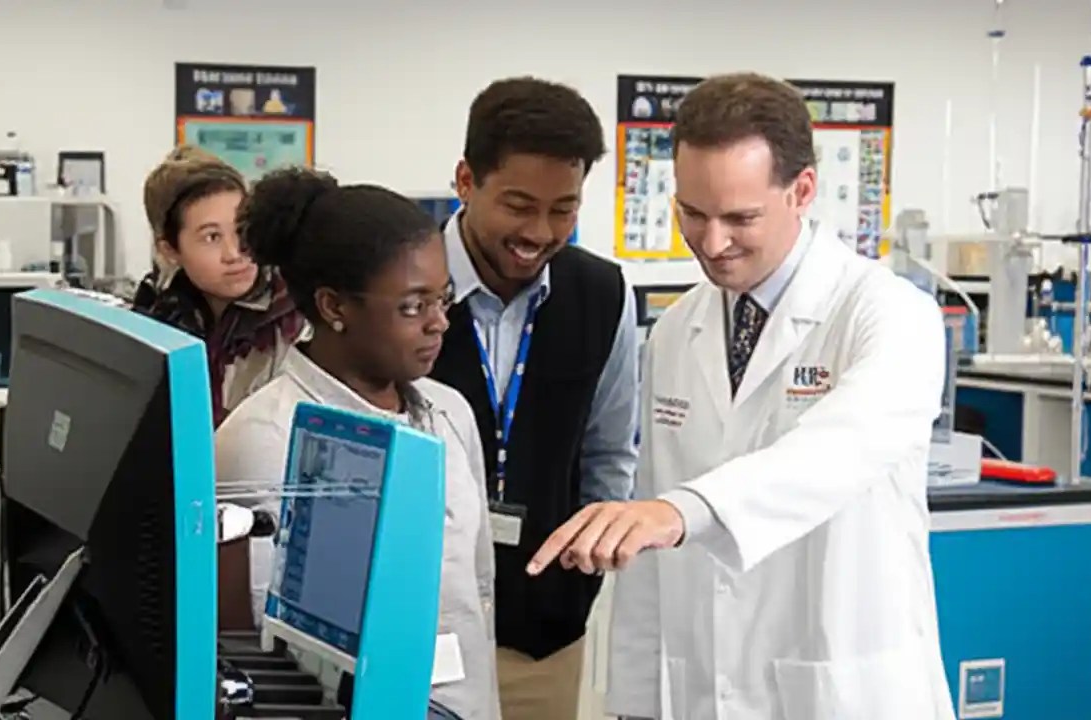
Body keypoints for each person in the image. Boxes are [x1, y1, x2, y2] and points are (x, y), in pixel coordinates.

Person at [528, 73, 957, 720]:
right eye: (692, 214)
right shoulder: (679, 329)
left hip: (839, 685)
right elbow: (655, 551)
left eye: (741, 218)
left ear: (803, 190)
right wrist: (636, 698)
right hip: (701, 689)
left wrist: (683, 511)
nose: (711, 241)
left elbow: (842, 448)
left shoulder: (887, 314)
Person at [214, 167, 500, 720]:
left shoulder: (448, 413)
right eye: (414, 306)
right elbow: (255, 651)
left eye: (442, 299)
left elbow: (478, 594)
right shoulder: (264, 440)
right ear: (334, 307)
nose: (440, 323)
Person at [429, 76, 638, 720]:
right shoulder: (401, 287)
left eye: (563, 208)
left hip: (544, 640)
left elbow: (610, 452)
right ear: (466, 181)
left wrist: (588, 571)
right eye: (519, 205)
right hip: (420, 638)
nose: (540, 231)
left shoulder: (602, 295)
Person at [134, 146, 306, 427]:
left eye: (241, 229)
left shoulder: (295, 319)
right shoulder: (162, 319)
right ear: (169, 250)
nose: (235, 253)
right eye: (212, 237)